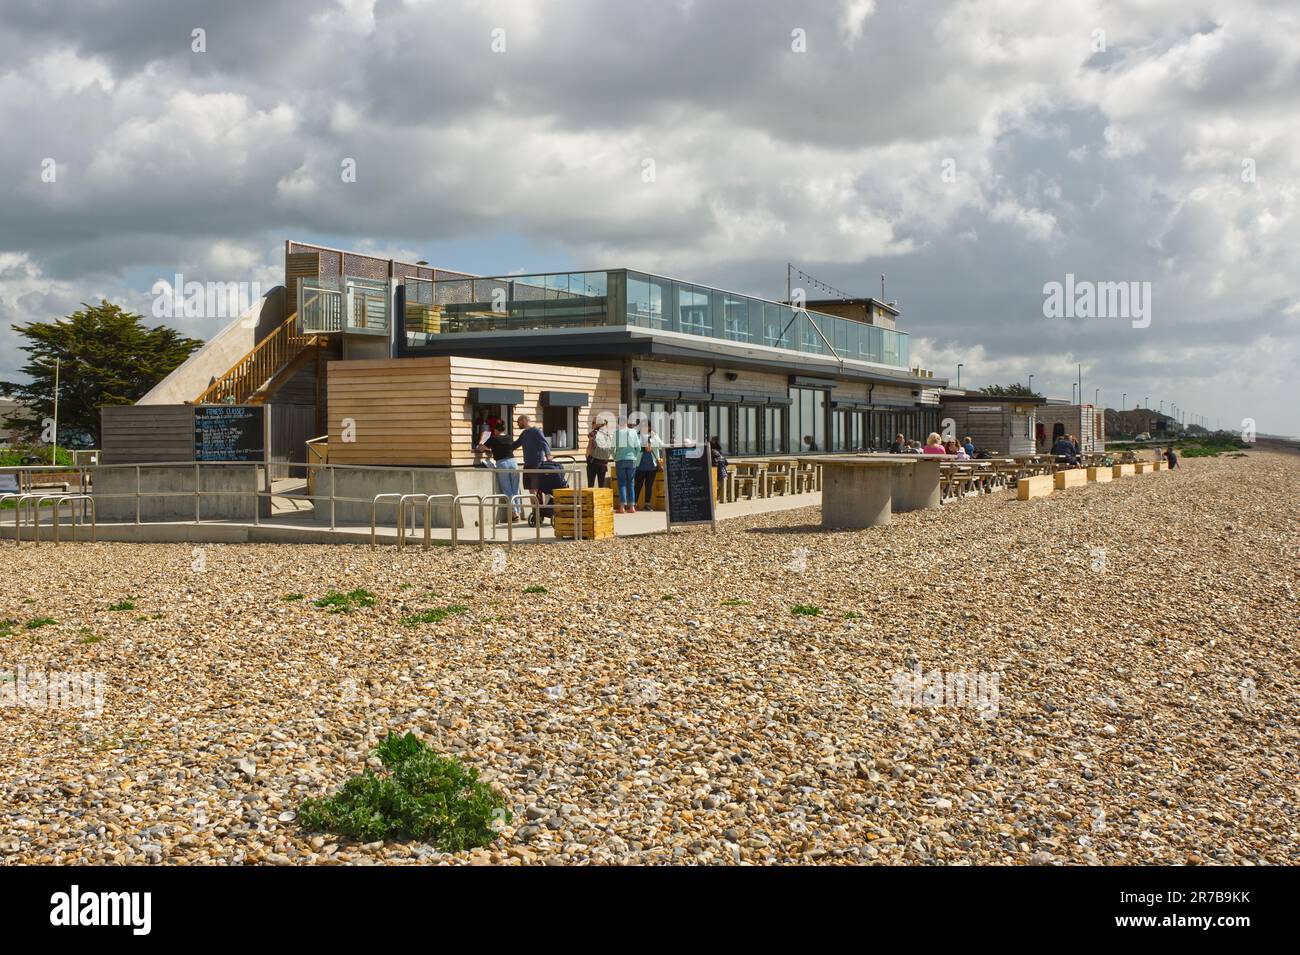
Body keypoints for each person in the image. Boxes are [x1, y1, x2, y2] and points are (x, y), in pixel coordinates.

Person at [477, 420, 523, 521]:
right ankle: (518, 512)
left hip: (502, 464)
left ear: (496, 430)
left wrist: (481, 441)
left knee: (507, 490)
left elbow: (481, 448)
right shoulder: (509, 437)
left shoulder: (493, 439)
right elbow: (504, 447)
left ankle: (515, 513)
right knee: (515, 489)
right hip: (513, 463)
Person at [514, 414, 553, 525]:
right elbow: (516, 444)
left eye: (519, 422)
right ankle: (535, 511)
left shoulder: (536, 431)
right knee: (531, 489)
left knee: (536, 489)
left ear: (525, 420)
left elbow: (544, 443)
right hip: (527, 464)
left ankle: (541, 511)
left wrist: (548, 455)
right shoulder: (524, 434)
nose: (518, 424)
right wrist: (502, 447)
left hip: (536, 464)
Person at [612, 416, 642, 513]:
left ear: (618, 423)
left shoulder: (616, 433)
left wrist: (615, 457)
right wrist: (635, 457)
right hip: (631, 459)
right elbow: (638, 447)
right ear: (626, 423)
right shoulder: (633, 432)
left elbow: (612, 448)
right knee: (631, 483)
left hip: (620, 459)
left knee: (621, 483)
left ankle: (622, 507)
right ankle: (632, 507)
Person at [635, 423, 665, 511]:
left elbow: (661, 445)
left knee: (649, 486)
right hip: (639, 465)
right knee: (638, 486)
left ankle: (647, 504)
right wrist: (644, 447)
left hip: (652, 466)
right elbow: (635, 446)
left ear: (650, 427)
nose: (645, 428)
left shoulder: (654, 436)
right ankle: (634, 504)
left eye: (647, 426)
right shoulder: (637, 435)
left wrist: (654, 438)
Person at [585, 416, 613, 488]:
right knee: (602, 485)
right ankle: (602, 499)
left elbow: (589, 447)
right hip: (603, 463)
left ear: (598, 424)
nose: (592, 424)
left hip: (593, 462)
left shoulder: (593, 434)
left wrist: (587, 456)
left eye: (593, 423)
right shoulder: (608, 434)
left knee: (591, 485)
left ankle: (591, 499)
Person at [709, 435, 728, 502]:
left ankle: (716, 495)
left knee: (717, 482)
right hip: (720, 472)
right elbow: (726, 463)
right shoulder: (718, 451)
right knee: (721, 481)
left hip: (715, 470)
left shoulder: (710, 450)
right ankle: (718, 496)